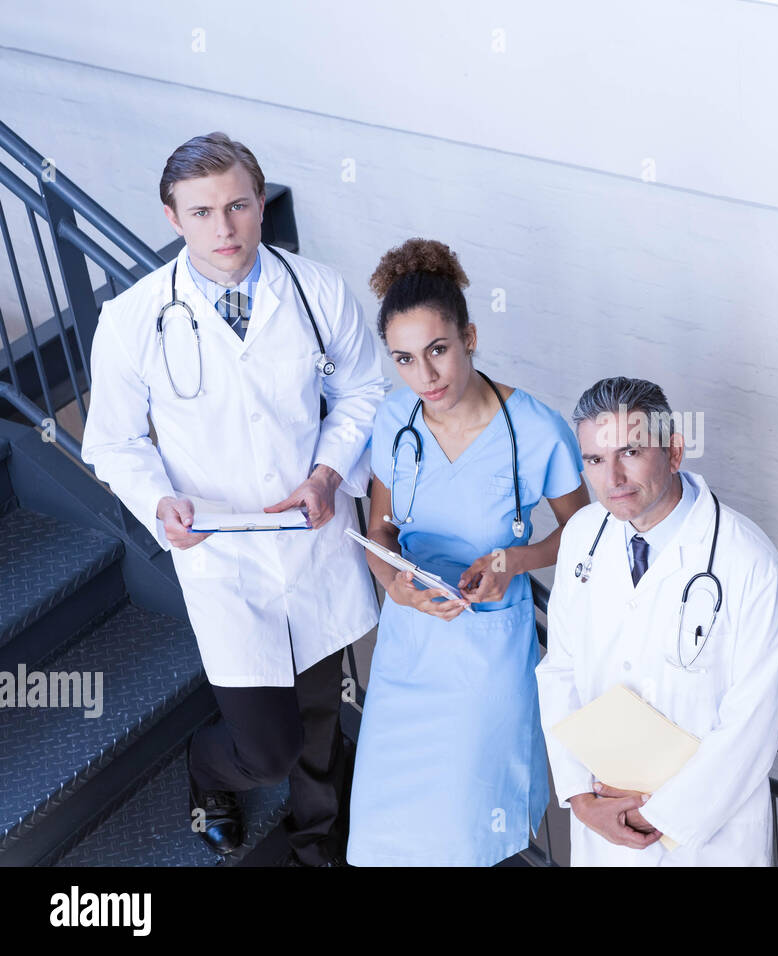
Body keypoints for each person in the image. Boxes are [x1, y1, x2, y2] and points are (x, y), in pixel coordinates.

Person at [80, 132, 386, 865]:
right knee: (268, 748)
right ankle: (208, 769)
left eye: (239, 205)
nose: (225, 228)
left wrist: (329, 473)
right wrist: (159, 502)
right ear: (172, 216)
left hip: (311, 542)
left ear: (258, 203)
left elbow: (365, 393)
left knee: (318, 724)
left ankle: (316, 847)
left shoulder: (316, 291)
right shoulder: (131, 318)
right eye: (204, 211)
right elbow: (114, 442)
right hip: (222, 560)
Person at [345, 238, 589, 866]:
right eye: (404, 359)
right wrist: (390, 581)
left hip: (485, 661)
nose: (425, 377)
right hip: (406, 649)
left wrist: (512, 562)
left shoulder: (536, 430)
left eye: (438, 351)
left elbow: (586, 535)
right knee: (384, 831)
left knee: (464, 834)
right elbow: (381, 528)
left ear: (469, 337)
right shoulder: (394, 418)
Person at [535, 377, 778, 865]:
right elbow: (560, 671)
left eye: (630, 452)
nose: (612, 477)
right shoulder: (584, 536)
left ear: (674, 452)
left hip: (706, 839)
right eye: (594, 459)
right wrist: (579, 797)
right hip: (603, 822)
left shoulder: (749, 561)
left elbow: (755, 719)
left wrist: (666, 815)